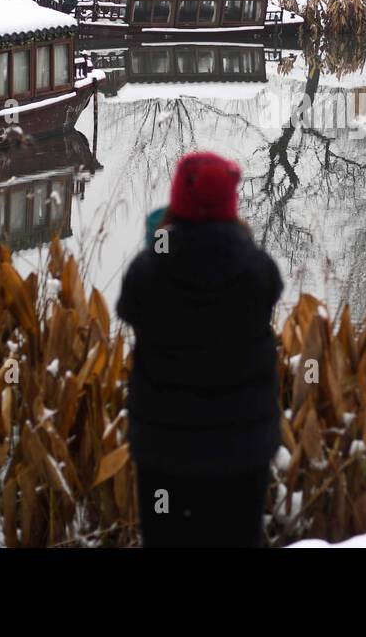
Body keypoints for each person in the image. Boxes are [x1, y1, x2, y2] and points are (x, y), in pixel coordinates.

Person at [116, 152, 283, 547]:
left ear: (177, 201)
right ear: (230, 202)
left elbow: (131, 309)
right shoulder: (257, 270)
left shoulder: (148, 271)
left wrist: (158, 239)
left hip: (165, 453)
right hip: (242, 453)